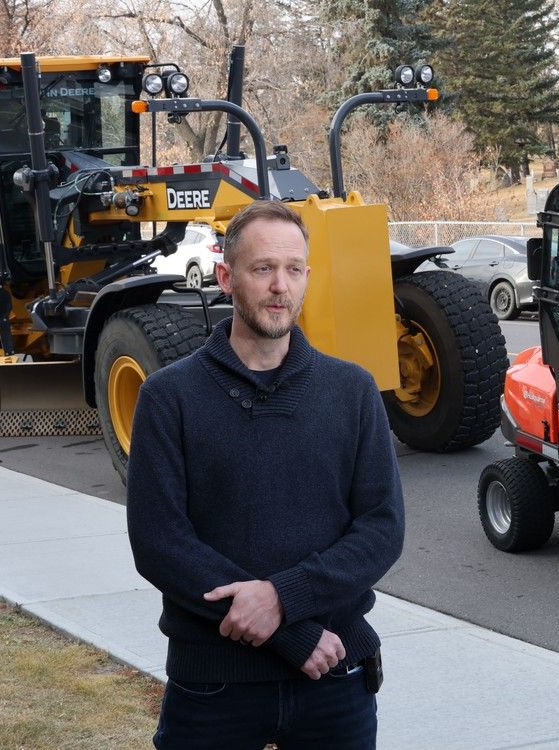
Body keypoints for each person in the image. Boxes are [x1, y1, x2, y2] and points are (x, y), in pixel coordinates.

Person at [126, 200, 405, 749]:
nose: (281, 286)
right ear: (225, 277)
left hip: (334, 677)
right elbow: (160, 543)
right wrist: (291, 632)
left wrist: (281, 598)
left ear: (307, 277)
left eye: (293, 269)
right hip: (214, 684)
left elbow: (382, 529)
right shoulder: (169, 397)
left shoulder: (352, 391)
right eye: (262, 269)